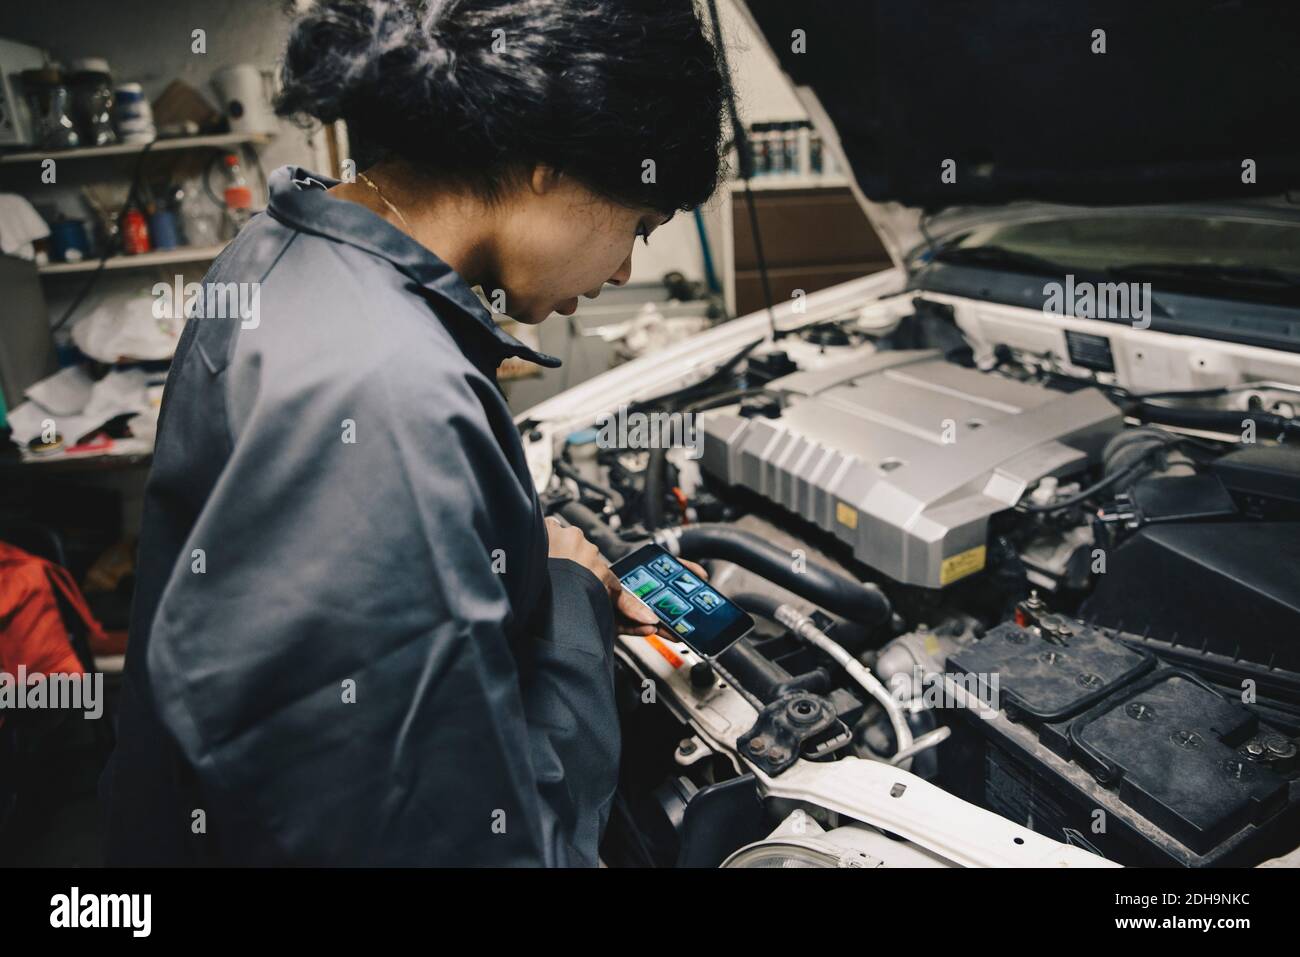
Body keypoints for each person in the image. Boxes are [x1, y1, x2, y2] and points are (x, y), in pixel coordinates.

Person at [100, 0, 726, 865]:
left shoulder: (273, 248)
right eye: (640, 226)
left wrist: (515, 562)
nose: (624, 267)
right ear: (552, 162)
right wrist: (571, 601)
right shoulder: (390, 394)